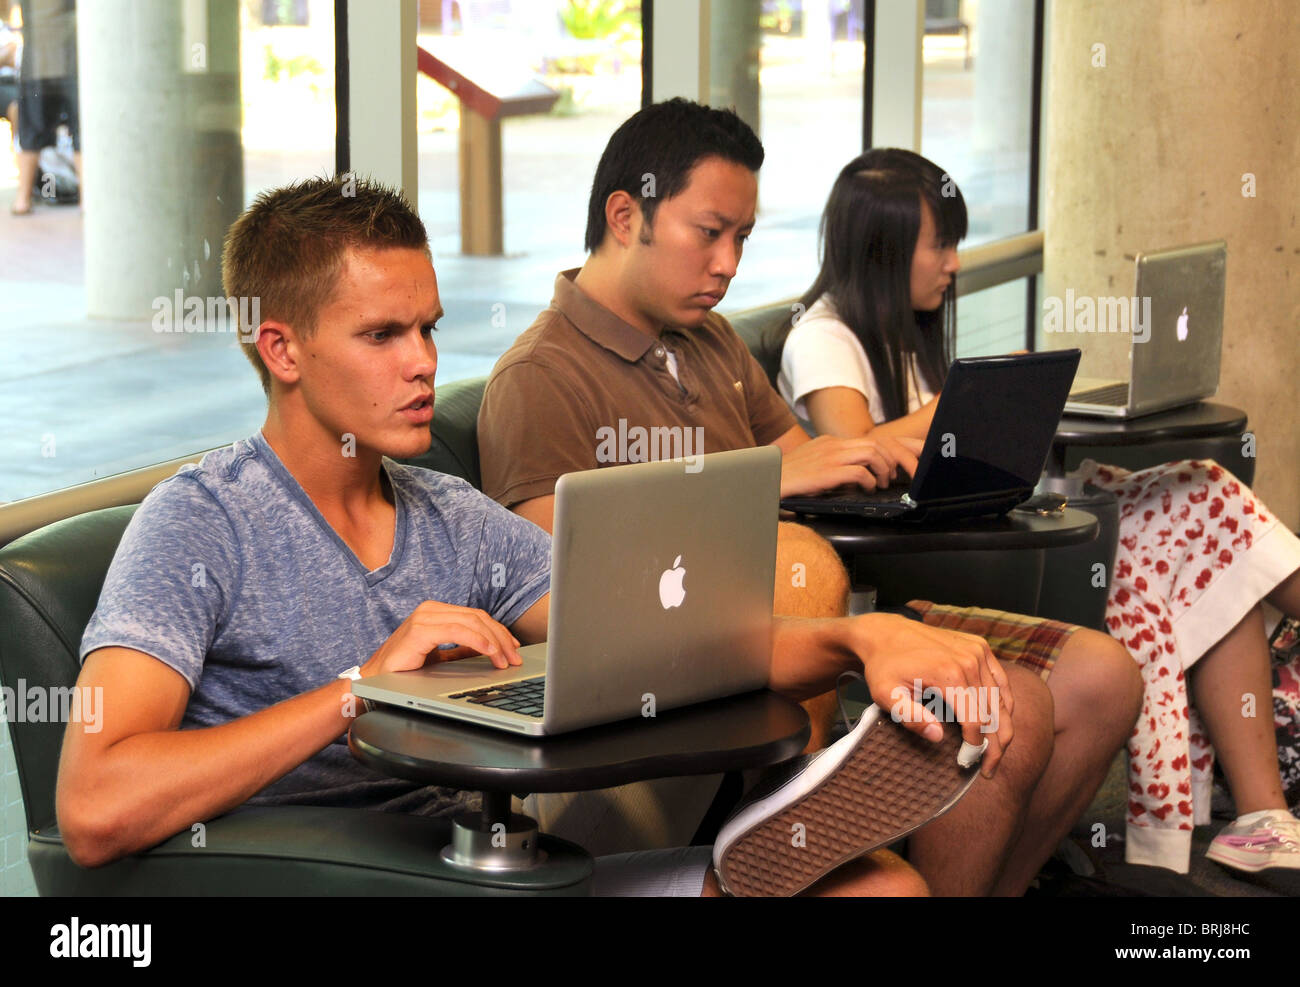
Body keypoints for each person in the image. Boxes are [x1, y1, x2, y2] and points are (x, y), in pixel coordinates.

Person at [54, 173, 1026, 898]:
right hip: (335, 878)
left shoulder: (447, 513)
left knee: (887, 893)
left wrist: (861, 640)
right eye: (383, 336)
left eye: (428, 329)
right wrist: (358, 693)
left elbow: (677, 645)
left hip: (489, 857)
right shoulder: (199, 522)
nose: (424, 364)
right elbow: (95, 807)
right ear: (282, 349)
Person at [475, 98, 1143, 895]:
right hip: (706, 667)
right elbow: (561, 589)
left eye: (743, 239)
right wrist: (773, 482)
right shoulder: (540, 377)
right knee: (1006, 703)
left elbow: (811, 464)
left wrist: (880, 453)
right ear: (627, 215)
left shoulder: (708, 337)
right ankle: (791, 794)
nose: (728, 264)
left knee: (1100, 675)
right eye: (709, 232)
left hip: (812, 621)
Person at [774, 146, 1300, 876]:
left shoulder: (908, 336)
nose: (954, 263)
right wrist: (967, 403)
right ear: (885, 251)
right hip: (938, 570)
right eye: (940, 245)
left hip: (981, 537)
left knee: (1205, 500)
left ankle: (1262, 815)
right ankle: (1262, 811)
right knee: (1202, 519)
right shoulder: (823, 337)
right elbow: (850, 451)